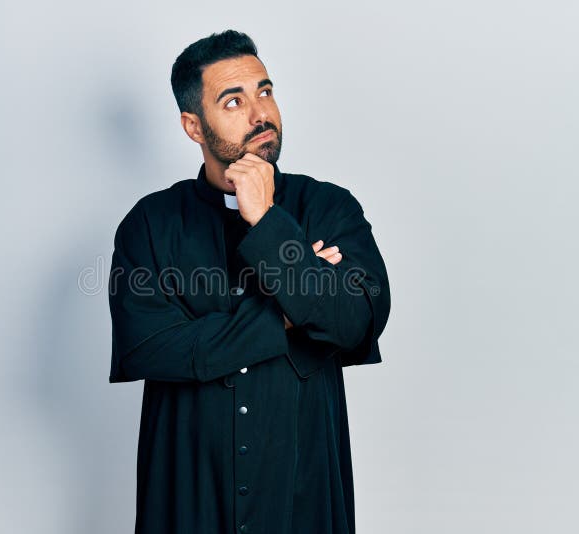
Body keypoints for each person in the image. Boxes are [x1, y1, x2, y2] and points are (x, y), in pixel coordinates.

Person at [108, 29, 390, 534]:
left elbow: (355, 322)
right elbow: (148, 349)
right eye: (233, 101)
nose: (260, 112)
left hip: (301, 496)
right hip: (188, 498)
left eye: (265, 91)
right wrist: (286, 308)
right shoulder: (148, 225)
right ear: (193, 126)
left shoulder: (329, 209)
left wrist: (267, 222)